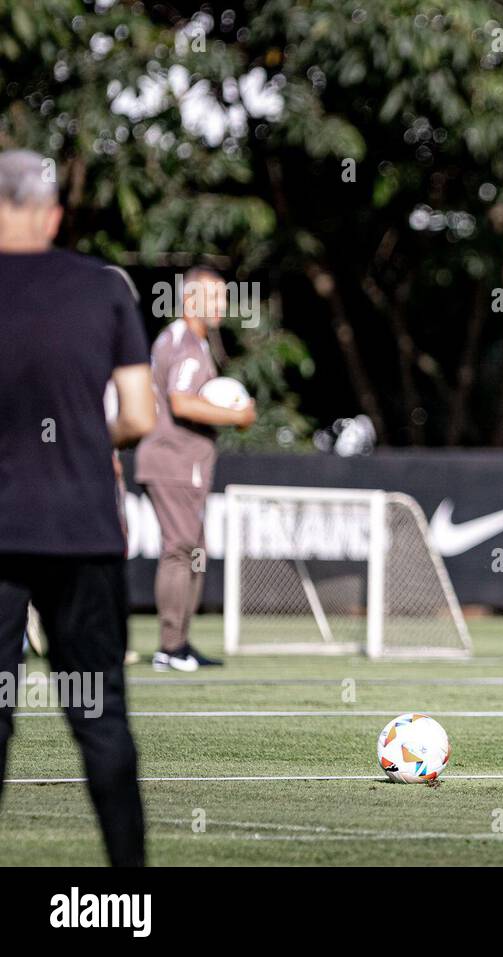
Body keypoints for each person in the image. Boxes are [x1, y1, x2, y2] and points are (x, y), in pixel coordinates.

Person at [0, 148, 156, 865]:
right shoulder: (103, 288)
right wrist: (92, 433)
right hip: (83, 529)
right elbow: (138, 415)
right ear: (54, 212)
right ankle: (127, 896)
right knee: (100, 717)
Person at [135, 267, 255, 672]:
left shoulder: (188, 341)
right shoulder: (186, 343)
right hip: (173, 460)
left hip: (180, 461)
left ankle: (181, 643)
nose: (222, 306)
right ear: (190, 302)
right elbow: (182, 401)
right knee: (180, 549)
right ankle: (170, 648)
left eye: (224, 298)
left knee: (194, 550)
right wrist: (236, 415)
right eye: (213, 298)